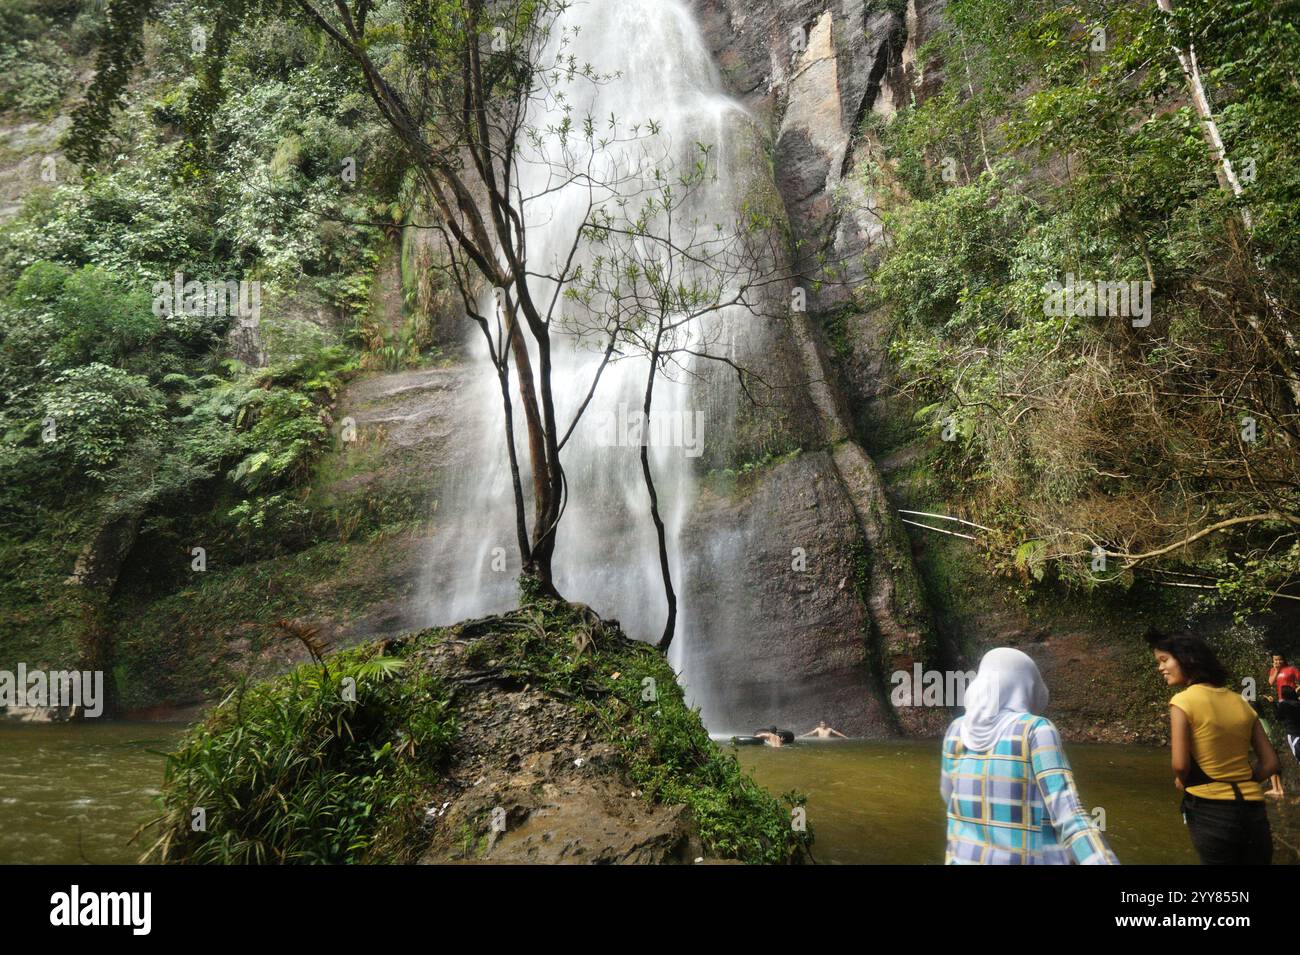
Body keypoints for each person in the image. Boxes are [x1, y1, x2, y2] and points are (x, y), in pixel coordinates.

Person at [939, 647, 1118, 864]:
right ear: (1027, 688)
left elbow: (949, 796)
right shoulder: (1035, 729)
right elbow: (1069, 815)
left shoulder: (956, 730)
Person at [1149, 629, 1279, 865]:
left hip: (1211, 811)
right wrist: (1243, 781)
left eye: (1164, 660)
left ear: (1186, 658)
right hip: (1254, 810)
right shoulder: (1241, 702)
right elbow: (1270, 764)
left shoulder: (1182, 701)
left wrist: (1183, 779)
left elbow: (1180, 765)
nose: (1160, 668)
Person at [1277, 685, 1300, 767]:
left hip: (1293, 734)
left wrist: (1274, 704)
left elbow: (1279, 717)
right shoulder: (1298, 704)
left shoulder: (1283, 705)